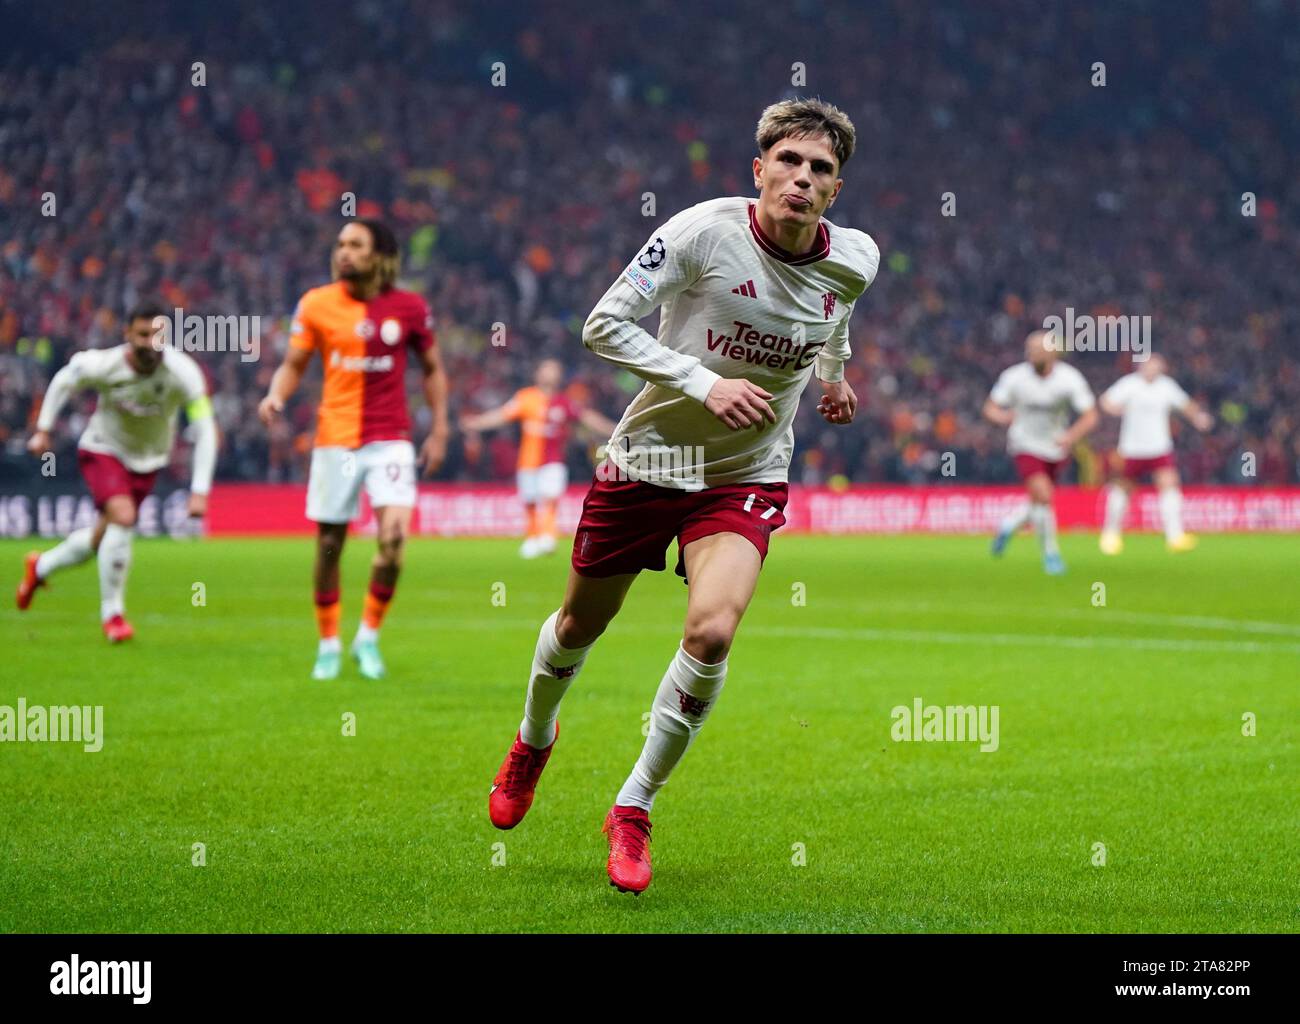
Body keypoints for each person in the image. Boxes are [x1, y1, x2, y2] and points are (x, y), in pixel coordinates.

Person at [486, 98, 879, 893]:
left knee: (711, 634)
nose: (802, 179)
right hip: (647, 460)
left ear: (836, 190)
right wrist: (704, 380)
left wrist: (833, 381)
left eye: (821, 170)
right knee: (577, 624)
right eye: (790, 162)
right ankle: (533, 738)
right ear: (759, 169)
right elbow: (602, 325)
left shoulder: (857, 258)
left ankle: (633, 807)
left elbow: (835, 318)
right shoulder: (702, 232)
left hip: (746, 473)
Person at [258, 220, 449, 680]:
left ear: (379, 255)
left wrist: (440, 428)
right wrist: (275, 395)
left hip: (391, 440)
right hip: (336, 439)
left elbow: (433, 369)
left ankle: (367, 637)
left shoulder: (409, 307)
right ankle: (328, 643)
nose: (343, 252)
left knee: (394, 542)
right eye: (340, 244)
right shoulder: (316, 304)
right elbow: (294, 364)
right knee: (329, 545)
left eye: (355, 245)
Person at [18, 302, 217, 641]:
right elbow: (65, 380)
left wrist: (200, 489)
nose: (150, 341)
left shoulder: (184, 373)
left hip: (149, 461)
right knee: (123, 517)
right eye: (143, 334)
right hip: (103, 450)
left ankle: (41, 567)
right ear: (127, 334)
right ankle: (113, 616)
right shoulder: (102, 364)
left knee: (102, 538)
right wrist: (44, 429)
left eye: (158, 334)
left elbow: (206, 428)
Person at [460, 358, 616, 558]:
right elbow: (501, 415)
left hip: (553, 460)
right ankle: (533, 538)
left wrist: (614, 429)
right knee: (531, 500)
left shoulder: (564, 402)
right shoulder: (526, 398)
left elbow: (587, 418)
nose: (550, 373)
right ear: (538, 373)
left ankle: (548, 537)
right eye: (547, 369)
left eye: (554, 370)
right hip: (528, 460)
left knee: (550, 496)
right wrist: (476, 423)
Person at [984, 330, 1098, 574]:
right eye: (1030, 348)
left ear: (1053, 352)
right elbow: (990, 408)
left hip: (1056, 448)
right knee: (1044, 496)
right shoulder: (1014, 377)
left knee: (1039, 503)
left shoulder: (1069, 379)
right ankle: (1051, 555)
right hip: (1024, 444)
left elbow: (1090, 416)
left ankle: (1008, 525)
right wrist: (1003, 417)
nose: (1032, 353)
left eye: (1038, 349)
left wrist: (1071, 436)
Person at [1098, 353, 1214, 553]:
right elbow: (1105, 401)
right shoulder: (1129, 384)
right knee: (1122, 488)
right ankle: (1110, 534)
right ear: (1141, 366)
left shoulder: (1166, 386)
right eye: (1150, 365)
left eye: (1157, 365)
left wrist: (1198, 417)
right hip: (1132, 448)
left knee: (1169, 486)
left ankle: (1175, 537)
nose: (1153, 368)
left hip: (1159, 447)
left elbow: (1185, 405)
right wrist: (1116, 409)